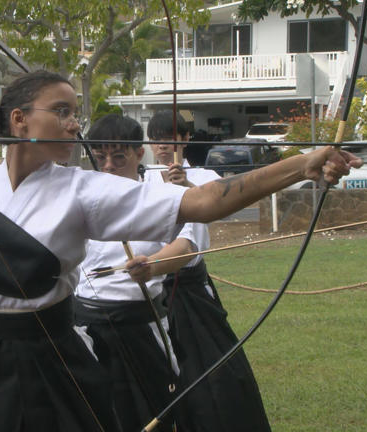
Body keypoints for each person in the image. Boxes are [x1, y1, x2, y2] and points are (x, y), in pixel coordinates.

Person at [0, 70, 361, 432]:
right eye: (62, 112)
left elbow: (204, 202)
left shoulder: (84, 190)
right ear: (19, 121)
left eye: (77, 113)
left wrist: (300, 165)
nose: (75, 125)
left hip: (55, 357)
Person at [147, 110, 273, 431]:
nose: (163, 147)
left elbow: (216, 205)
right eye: (157, 139)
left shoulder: (204, 177)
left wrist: (187, 186)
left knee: (215, 373)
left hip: (189, 288)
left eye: (171, 139)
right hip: (147, 288)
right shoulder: (141, 178)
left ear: (186, 139)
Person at [74, 114, 195, 431]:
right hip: (83, 325)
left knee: (150, 413)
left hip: (139, 323)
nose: (109, 167)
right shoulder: (80, 198)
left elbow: (185, 246)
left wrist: (152, 265)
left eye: (119, 157)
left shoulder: (160, 197)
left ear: (139, 154)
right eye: (101, 158)